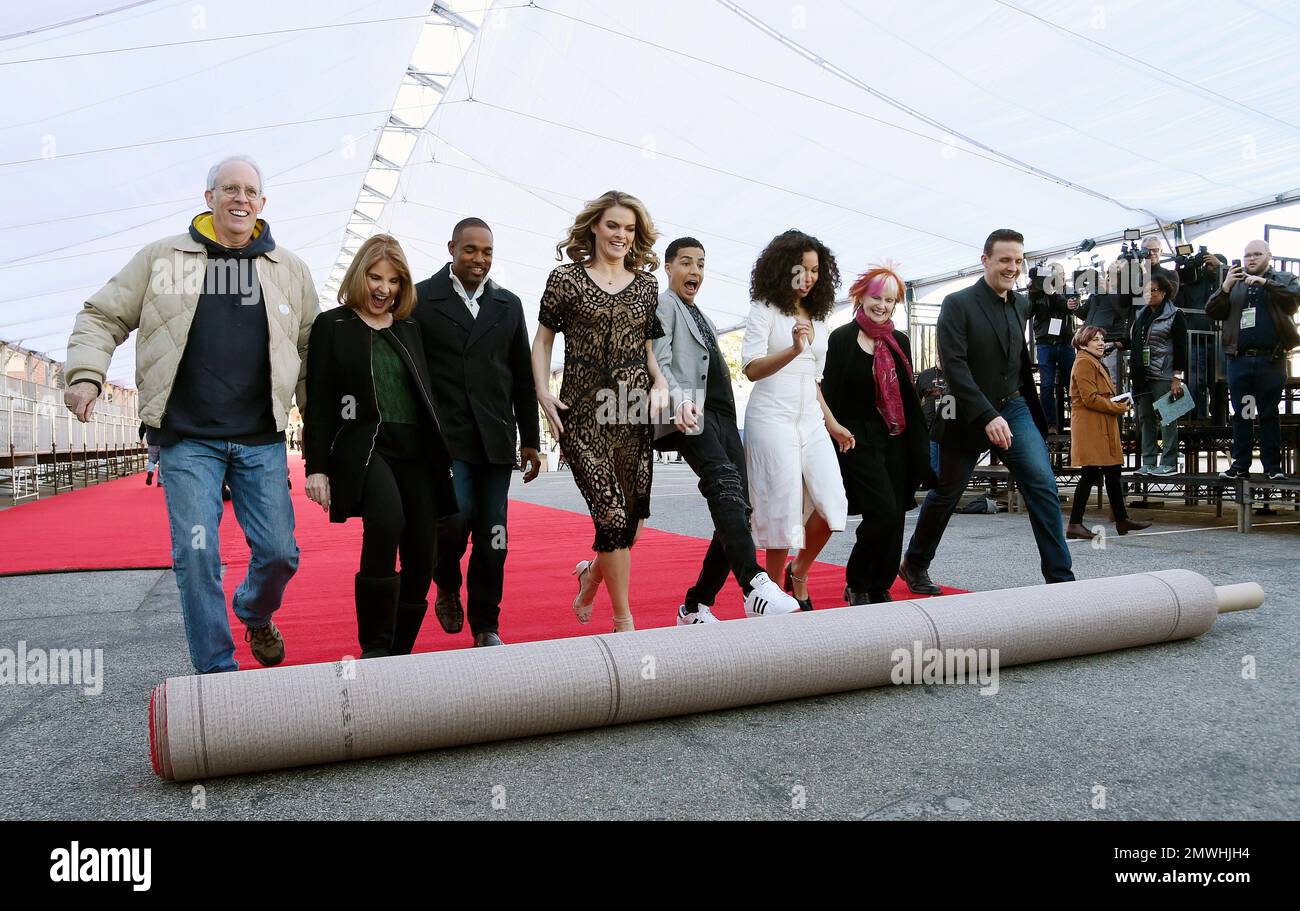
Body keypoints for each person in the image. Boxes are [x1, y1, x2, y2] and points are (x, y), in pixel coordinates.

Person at [63, 155, 316, 673]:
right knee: (198, 557)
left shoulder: (287, 269)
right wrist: (86, 374)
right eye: (229, 189)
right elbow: (102, 313)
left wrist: (321, 430)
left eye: (250, 191)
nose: (239, 199)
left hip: (261, 438)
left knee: (279, 554)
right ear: (209, 199)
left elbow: (314, 350)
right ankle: (217, 673)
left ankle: (254, 610)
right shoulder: (163, 259)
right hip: (186, 438)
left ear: (263, 204)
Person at [303, 235, 456, 658]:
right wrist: (316, 466)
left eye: (392, 280)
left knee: (424, 555)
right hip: (365, 447)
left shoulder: (410, 327)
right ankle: (374, 648)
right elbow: (318, 402)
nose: (383, 288)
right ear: (360, 276)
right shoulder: (332, 325)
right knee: (386, 522)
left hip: (418, 452)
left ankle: (397, 654)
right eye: (374, 277)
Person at [900, 229, 1074, 593]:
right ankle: (914, 562)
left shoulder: (1022, 304)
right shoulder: (957, 303)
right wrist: (986, 415)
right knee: (947, 491)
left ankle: (1060, 580)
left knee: (1042, 485)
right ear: (985, 261)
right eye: (1004, 260)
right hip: (965, 413)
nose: (1013, 267)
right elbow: (955, 366)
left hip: (1014, 407)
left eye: (1018, 261)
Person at [531, 190, 670, 632]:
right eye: (613, 225)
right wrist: (541, 390)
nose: (621, 236)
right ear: (595, 226)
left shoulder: (648, 286)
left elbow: (647, 349)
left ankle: (591, 575)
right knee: (611, 516)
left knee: (630, 529)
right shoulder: (566, 280)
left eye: (629, 229)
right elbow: (544, 340)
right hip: (582, 413)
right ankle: (624, 621)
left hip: (631, 411)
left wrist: (662, 382)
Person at [651, 237, 799, 622]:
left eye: (700, 264)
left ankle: (696, 604)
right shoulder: (664, 305)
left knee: (740, 506)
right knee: (722, 482)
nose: (694, 271)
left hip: (721, 416)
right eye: (686, 263)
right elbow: (660, 360)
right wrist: (680, 401)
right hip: (690, 411)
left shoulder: (704, 317)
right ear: (668, 268)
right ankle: (754, 584)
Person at [414, 218, 541, 648]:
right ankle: (446, 581)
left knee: (494, 538)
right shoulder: (421, 298)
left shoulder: (508, 304)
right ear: (451, 247)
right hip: (446, 440)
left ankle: (486, 625)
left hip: (495, 442)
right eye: (470, 250)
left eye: (487, 252)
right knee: (452, 522)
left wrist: (531, 440)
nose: (479, 260)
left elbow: (523, 377)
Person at [741, 229, 851, 611]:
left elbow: (813, 380)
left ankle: (798, 571)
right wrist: (792, 348)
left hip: (810, 417)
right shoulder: (764, 309)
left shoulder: (818, 315)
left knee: (833, 504)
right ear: (781, 269)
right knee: (781, 506)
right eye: (801, 269)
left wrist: (832, 422)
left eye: (816, 270)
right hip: (771, 415)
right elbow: (751, 369)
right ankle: (770, 596)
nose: (809, 277)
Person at [822, 265, 935, 604]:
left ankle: (879, 583)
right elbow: (830, 393)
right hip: (857, 437)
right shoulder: (841, 339)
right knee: (881, 510)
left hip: (895, 436)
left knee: (896, 512)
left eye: (890, 300)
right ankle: (857, 581)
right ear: (860, 297)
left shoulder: (898, 341)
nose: (882, 305)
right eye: (876, 297)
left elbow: (907, 395)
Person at [1206, 240, 1300, 481]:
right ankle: (1241, 465)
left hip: (1270, 359)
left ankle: (1272, 467)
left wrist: (1265, 283)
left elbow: (1294, 298)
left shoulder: (1283, 278)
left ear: (1269, 255)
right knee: (1243, 414)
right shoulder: (1235, 282)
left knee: (1269, 413)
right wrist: (1225, 287)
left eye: (1257, 254)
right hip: (1240, 361)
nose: (1251, 259)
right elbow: (1213, 311)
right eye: (1248, 255)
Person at [1065, 326, 1149, 539]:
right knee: (1089, 474)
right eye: (1095, 340)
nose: (1101, 343)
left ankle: (1122, 520)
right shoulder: (1084, 362)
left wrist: (1116, 403)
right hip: (1090, 426)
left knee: (1112, 472)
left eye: (1102, 339)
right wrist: (1118, 407)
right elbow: (1090, 398)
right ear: (1083, 343)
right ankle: (1075, 523)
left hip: (1101, 424)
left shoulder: (1091, 361)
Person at [1130, 269, 1187, 475]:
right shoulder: (1140, 315)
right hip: (1142, 376)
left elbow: (1181, 348)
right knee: (1145, 418)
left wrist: (1176, 377)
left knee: (1168, 417)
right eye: (1146, 291)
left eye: (1153, 290)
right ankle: (1149, 461)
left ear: (1164, 292)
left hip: (1164, 373)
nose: (1149, 294)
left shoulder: (1175, 315)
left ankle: (1169, 462)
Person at [1029, 262, 1081, 433]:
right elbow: (1028, 312)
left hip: (1065, 342)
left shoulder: (1070, 292)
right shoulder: (1039, 292)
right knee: (1045, 385)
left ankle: (1077, 420)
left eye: (1057, 274)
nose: (1054, 278)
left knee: (1071, 384)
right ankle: (1049, 423)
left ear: (1064, 275)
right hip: (1045, 342)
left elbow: (1067, 306)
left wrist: (1051, 291)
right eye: (1051, 274)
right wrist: (1034, 289)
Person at [914, 353, 946, 475]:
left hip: (950, 426)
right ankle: (934, 485)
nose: (940, 356)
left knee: (947, 462)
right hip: (930, 425)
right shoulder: (925, 375)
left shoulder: (956, 373)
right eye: (938, 353)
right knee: (932, 461)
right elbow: (916, 399)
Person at [140, 422, 162, 488]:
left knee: (151, 460)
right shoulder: (162, 413)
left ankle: (150, 471)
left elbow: (141, 429)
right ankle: (160, 482)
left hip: (151, 441)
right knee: (162, 463)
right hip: (162, 441)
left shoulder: (146, 415)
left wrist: (141, 440)